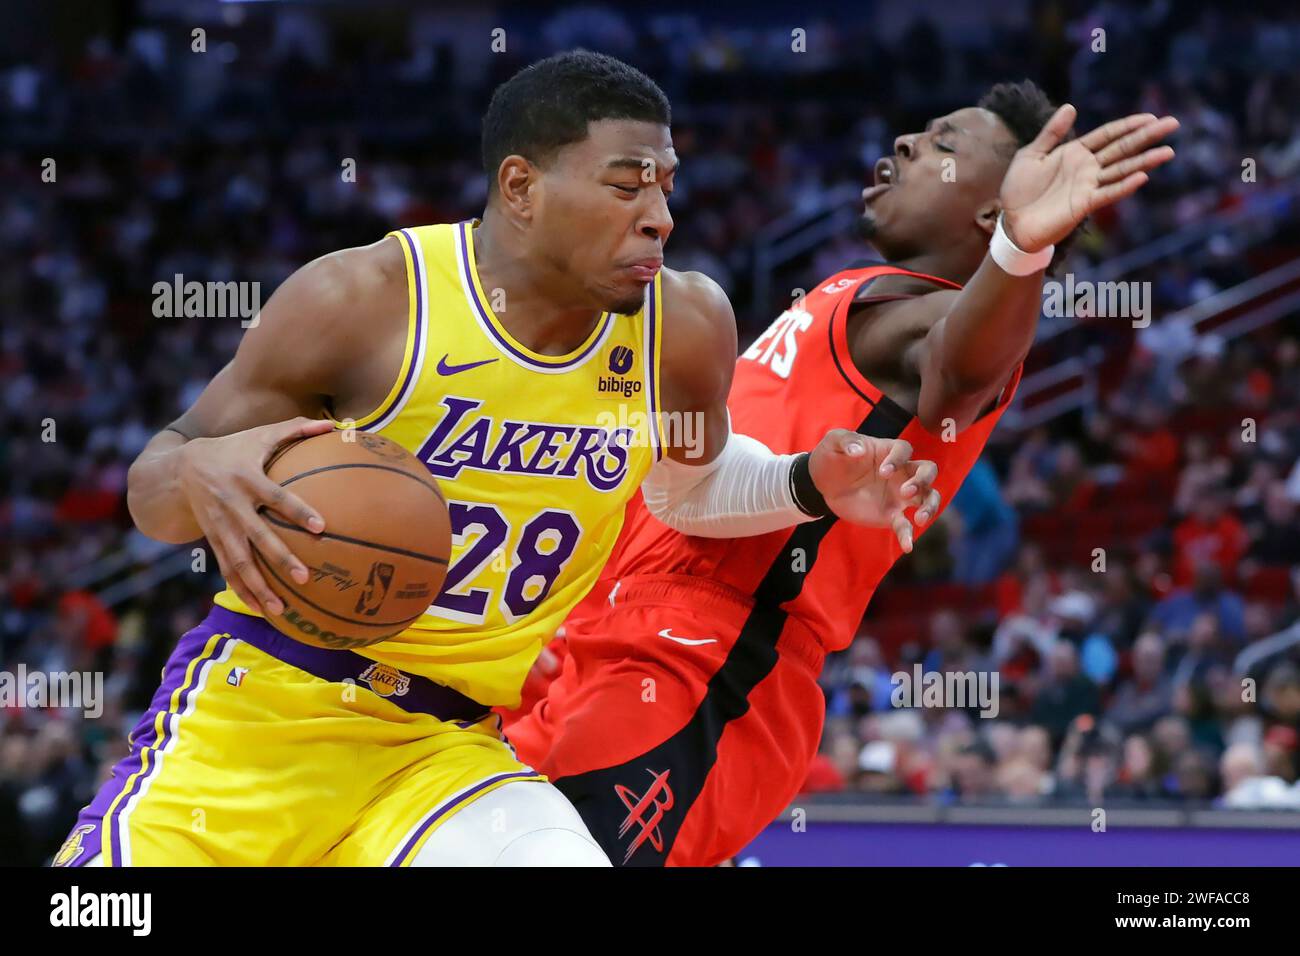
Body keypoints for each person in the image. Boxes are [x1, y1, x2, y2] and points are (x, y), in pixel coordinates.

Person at [54, 51, 937, 868]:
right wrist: (198, 474)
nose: (659, 217)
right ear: (521, 186)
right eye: (626, 187)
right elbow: (150, 489)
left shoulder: (685, 324)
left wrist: (804, 483)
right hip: (260, 717)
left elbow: (687, 489)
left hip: (441, 749)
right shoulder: (366, 300)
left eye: (667, 187)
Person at [505, 80, 1178, 866]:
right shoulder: (850, 294)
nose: (906, 144)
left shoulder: (938, 325)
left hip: (713, 655)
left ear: (992, 213)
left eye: (945, 145)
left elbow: (962, 370)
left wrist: (1021, 251)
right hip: (610, 623)